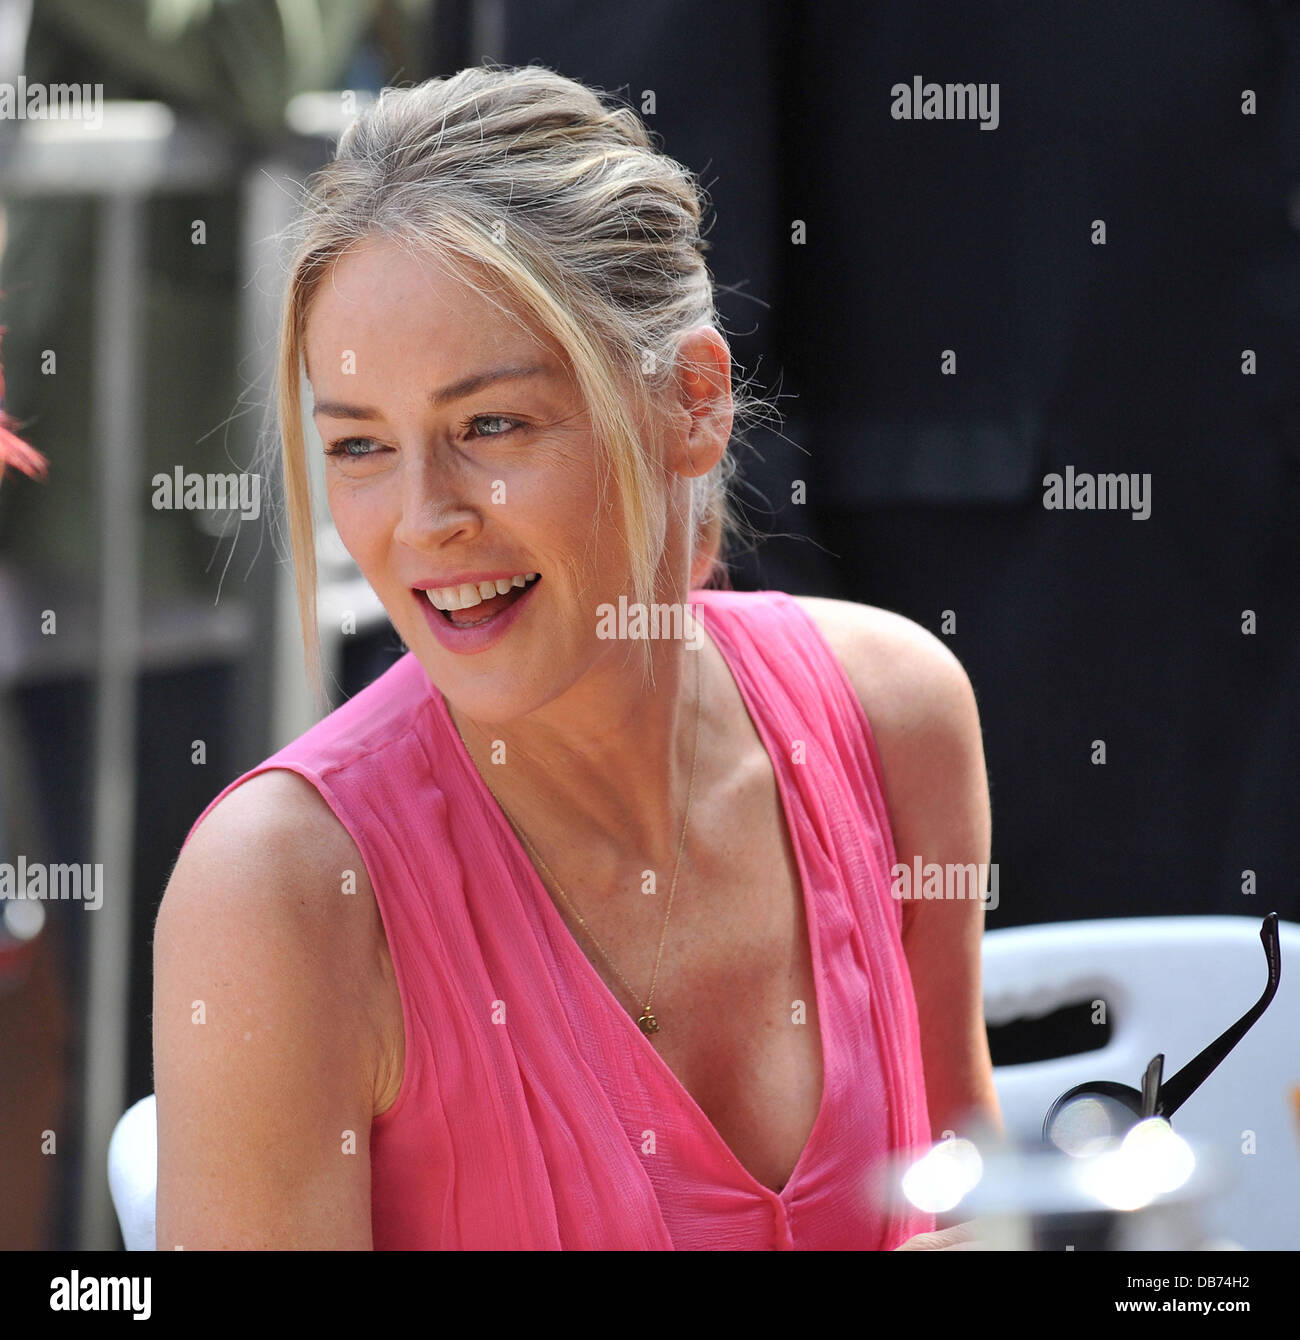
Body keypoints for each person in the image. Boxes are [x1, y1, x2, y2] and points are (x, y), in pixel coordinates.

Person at [152, 63, 999, 1250]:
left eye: (490, 424)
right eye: (358, 446)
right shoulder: (283, 894)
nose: (422, 517)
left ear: (692, 402)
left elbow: (979, 1210)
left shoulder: (895, 713)